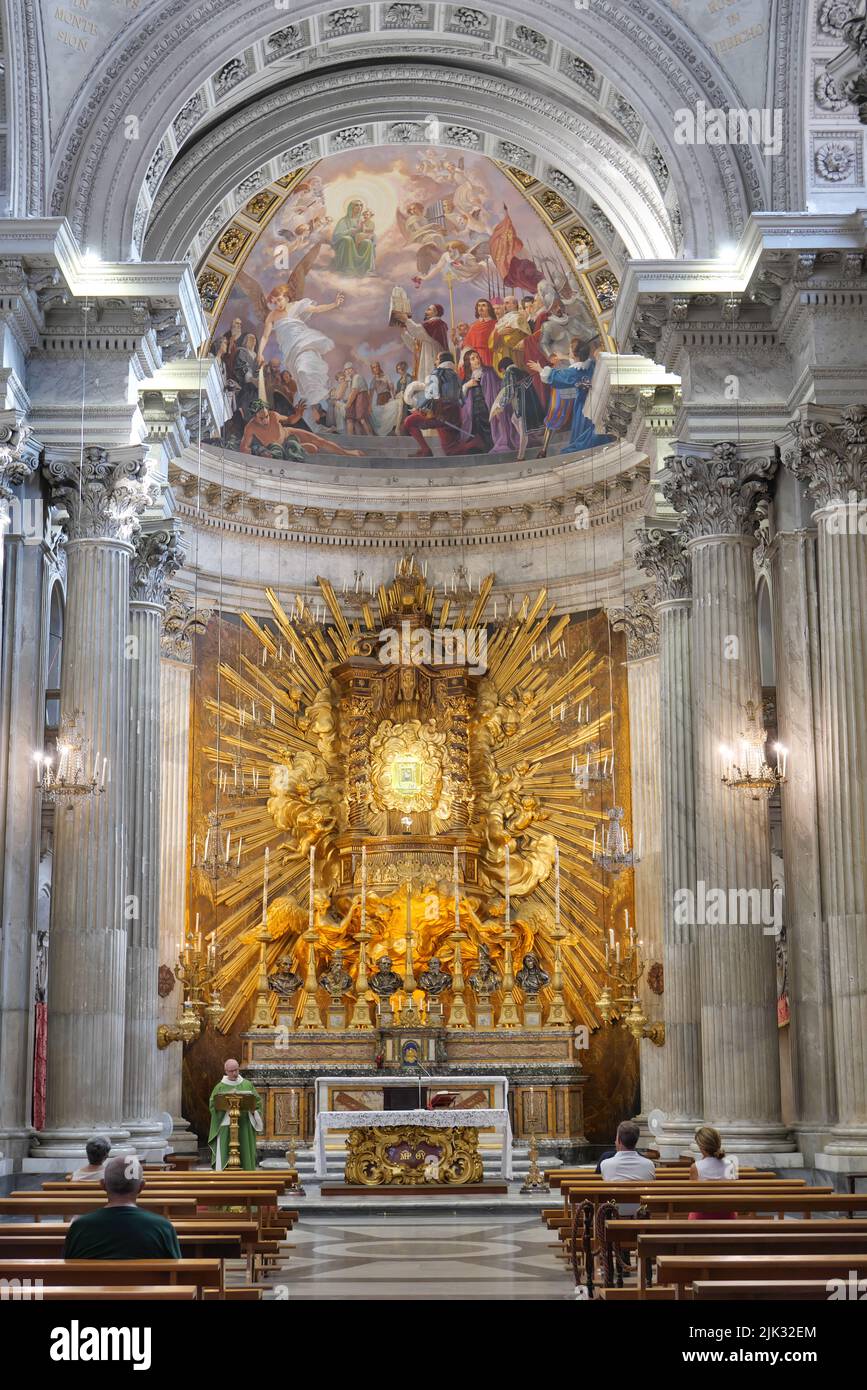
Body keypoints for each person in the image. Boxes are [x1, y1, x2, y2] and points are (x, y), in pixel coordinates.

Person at [63, 1156, 182, 1259]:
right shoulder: (162, 1227)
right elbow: (177, 1272)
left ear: (103, 1185)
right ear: (141, 1187)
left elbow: (66, 1270)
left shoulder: (80, 1227)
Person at [257, 284, 345, 405]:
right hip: (290, 349)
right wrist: (259, 353)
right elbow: (265, 336)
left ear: (286, 297)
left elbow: (317, 309)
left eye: (279, 300)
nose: (278, 304)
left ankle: (318, 393)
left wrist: (334, 304)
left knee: (305, 368)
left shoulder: (296, 306)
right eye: (274, 302)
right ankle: (317, 396)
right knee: (300, 372)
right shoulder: (272, 316)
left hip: (303, 343)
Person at [532, 337, 614, 454]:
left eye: (570, 351)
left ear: (575, 354)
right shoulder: (590, 364)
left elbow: (557, 377)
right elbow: (577, 362)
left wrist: (540, 369)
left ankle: (584, 449)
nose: (568, 352)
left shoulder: (575, 372)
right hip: (596, 401)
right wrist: (563, 357)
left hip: (583, 404)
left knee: (582, 428)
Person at [401, 350, 471, 457]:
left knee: (409, 422)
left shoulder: (438, 373)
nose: (435, 362)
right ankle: (476, 443)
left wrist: (421, 408)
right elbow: (460, 398)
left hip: (439, 413)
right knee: (450, 450)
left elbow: (431, 395)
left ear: (442, 360)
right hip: (454, 415)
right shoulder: (455, 376)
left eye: (437, 359)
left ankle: (426, 450)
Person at [208, 1057, 264, 1171]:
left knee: (245, 1153)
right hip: (225, 1123)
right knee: (225, 1152)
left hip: (244, 1123)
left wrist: (254, 1111)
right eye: (231, 1071)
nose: (235, 1073)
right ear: (226, 1071)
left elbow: (257, 1102)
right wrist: (223, 1107)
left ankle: (247, 1182)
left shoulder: (247, 1085)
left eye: (236, 1070)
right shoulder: (220, 1087)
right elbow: (213, 1106)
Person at [489, 357, 546, 461]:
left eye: (501, 372)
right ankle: (529, 439)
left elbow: (509, 392)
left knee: (523, 431)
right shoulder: (523, 372)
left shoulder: (509, 373)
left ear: (502, 369)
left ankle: (521, 456)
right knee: (513, 419)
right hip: (530, 404)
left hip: (521, 406)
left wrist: (500, 405)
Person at [688, 1125, 736, 1220]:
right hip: (727, 1214)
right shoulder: (730, 1164)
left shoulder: (696, 1167)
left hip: (702, 1215)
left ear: (701, 1147)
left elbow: (692, 1195)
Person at [331, 198, 376, 276]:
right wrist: (351, 231)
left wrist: (369, 235)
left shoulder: (363, 220)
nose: (359, 207)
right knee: (348, 239)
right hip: (346, 244)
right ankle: (348, 268)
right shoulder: (344, 221)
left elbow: (370, 232)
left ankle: (366, 270)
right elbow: (336, 236)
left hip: (358, 243)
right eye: (356, 205)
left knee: (367, 242)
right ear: (351, 207)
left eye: (361, 205)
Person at [461, 298, 497, 366]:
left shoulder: (495, 324)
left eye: (483, 305)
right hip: (476, 357)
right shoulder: (473, 326)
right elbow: (467, 344)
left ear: (489, 308)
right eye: (479, 306)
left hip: (491, 355)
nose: (480, 308)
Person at [344, 359, 374, 435]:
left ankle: (371, 437)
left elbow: (354, 391)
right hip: (358, 398)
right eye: (346, 370)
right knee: (358, 418)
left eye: (350, 369)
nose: (348, 371)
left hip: (361, 397)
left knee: (362, 418)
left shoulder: (357, 377)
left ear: (354, 369)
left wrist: (348, 403)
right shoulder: (352, 379)